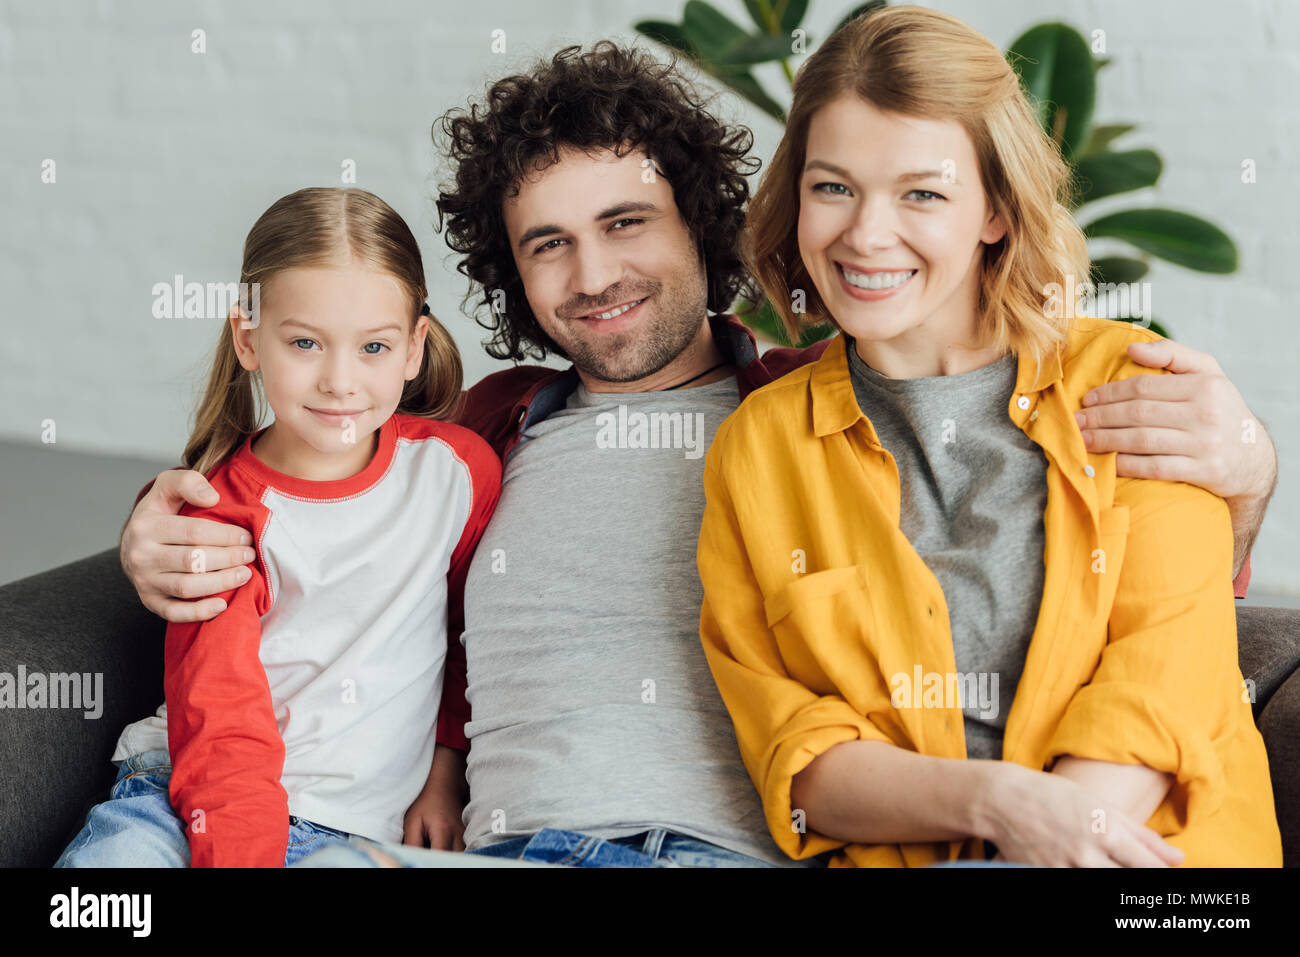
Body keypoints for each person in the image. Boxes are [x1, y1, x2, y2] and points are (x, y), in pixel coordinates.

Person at [117, 43, 1276, 869]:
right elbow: (297, 484)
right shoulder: (477, 433)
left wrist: (1250, 470)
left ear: (701, 224)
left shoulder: (799, 414)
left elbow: (1123, 601)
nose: (593, 275)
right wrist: (158, 528)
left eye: (627, 224)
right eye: (548, 246)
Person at [696, 5, 1282, 868]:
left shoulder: (1138, 386)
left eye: (922, 193)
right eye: (833, 187)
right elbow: (800, 759)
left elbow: (1161, 686)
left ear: (996, 212)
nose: (865, 233)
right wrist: (998, 803)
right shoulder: (761, 446)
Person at [56, 187, 499, 867]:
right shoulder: (217, 512)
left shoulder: (456, 475)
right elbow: (220, 720)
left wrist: (446, 769)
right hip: (184, 796)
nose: (340, 381)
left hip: (351, 830)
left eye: (374, 346)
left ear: (414, 348)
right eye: (304, 342)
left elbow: (473, 636)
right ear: (248, 338)